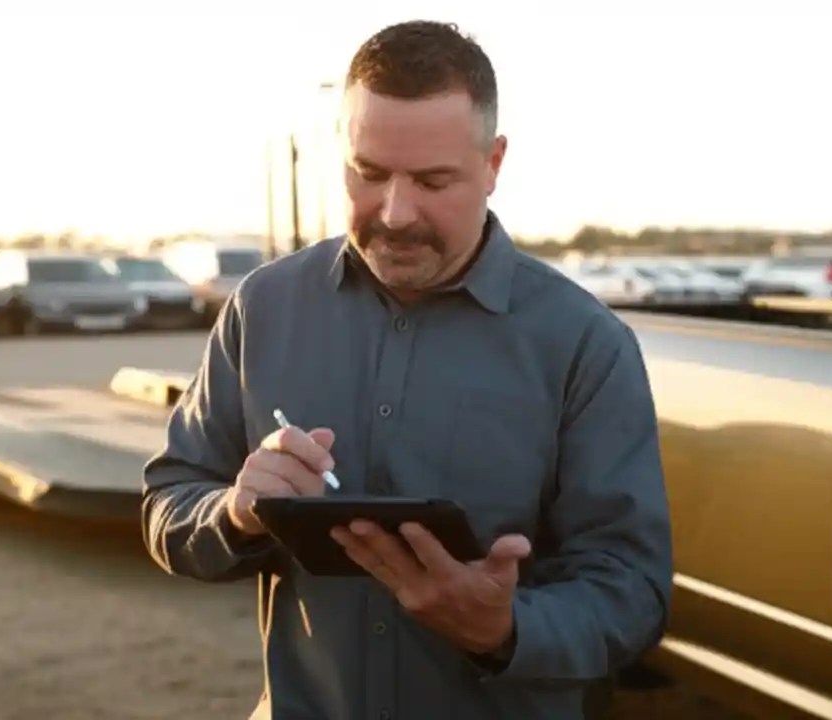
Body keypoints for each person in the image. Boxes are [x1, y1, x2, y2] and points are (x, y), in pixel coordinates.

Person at [141, 19, 673, 720]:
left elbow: (633, 592)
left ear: (494, 164)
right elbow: (166, 503)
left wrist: (505, 629)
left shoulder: (584, 344)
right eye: (369, 174)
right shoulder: (264, 307)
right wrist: (235, 514)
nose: (395, 212)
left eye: (432, 180)